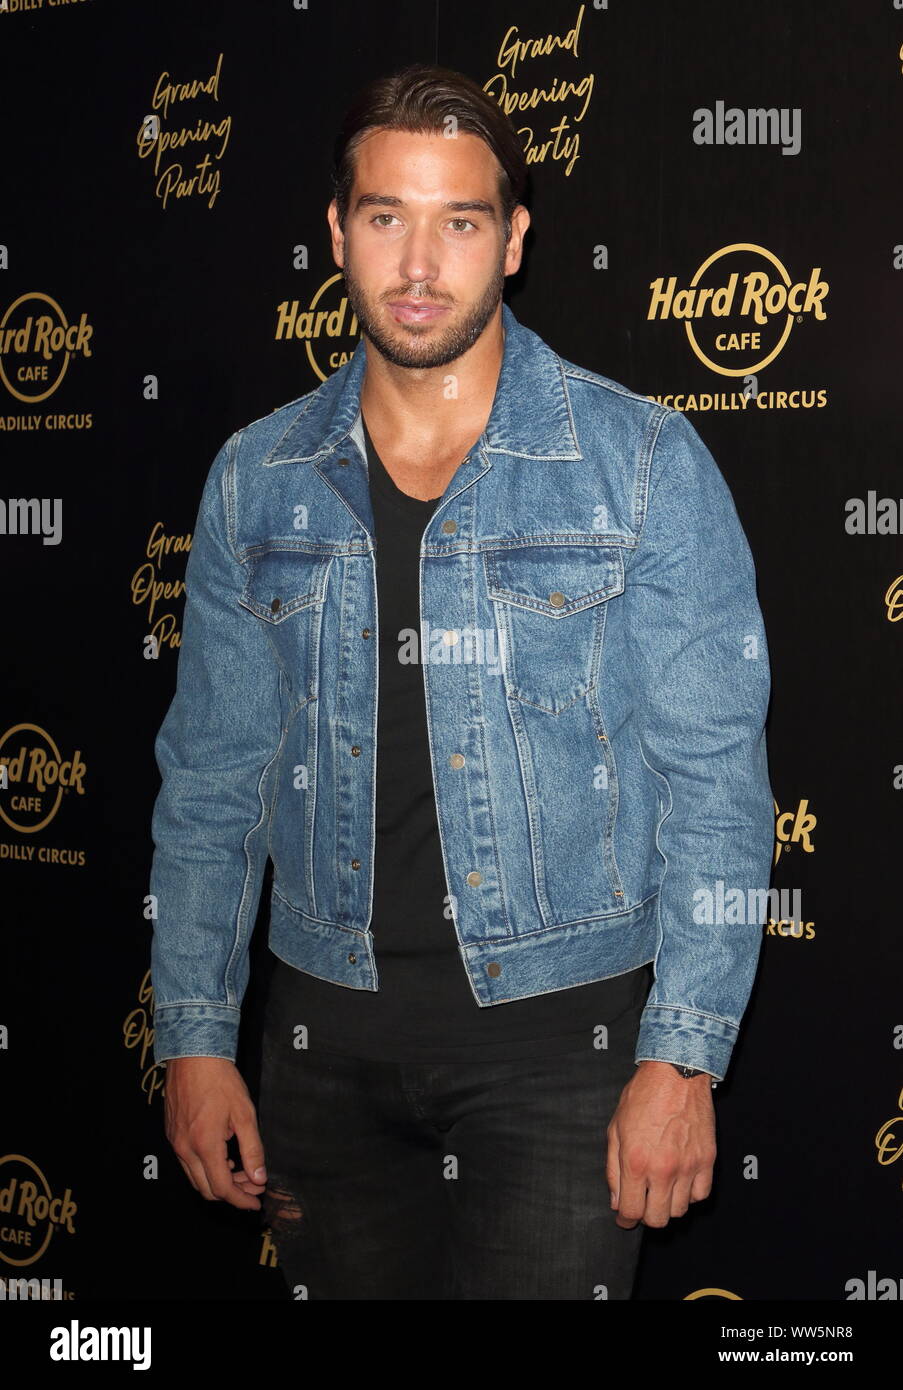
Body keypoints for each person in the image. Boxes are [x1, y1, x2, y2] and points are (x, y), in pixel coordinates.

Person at [149, 63, 774, 1300]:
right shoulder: (253, 481)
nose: (420, 261)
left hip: (565, 1048)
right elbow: (212, 781)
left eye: (461, 221)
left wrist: (685, 1054)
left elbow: (718, 787)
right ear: (336, 233)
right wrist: (194, 1034)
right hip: (321, 1048)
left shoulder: (640, 465)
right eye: (387, 217)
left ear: (516, 240)